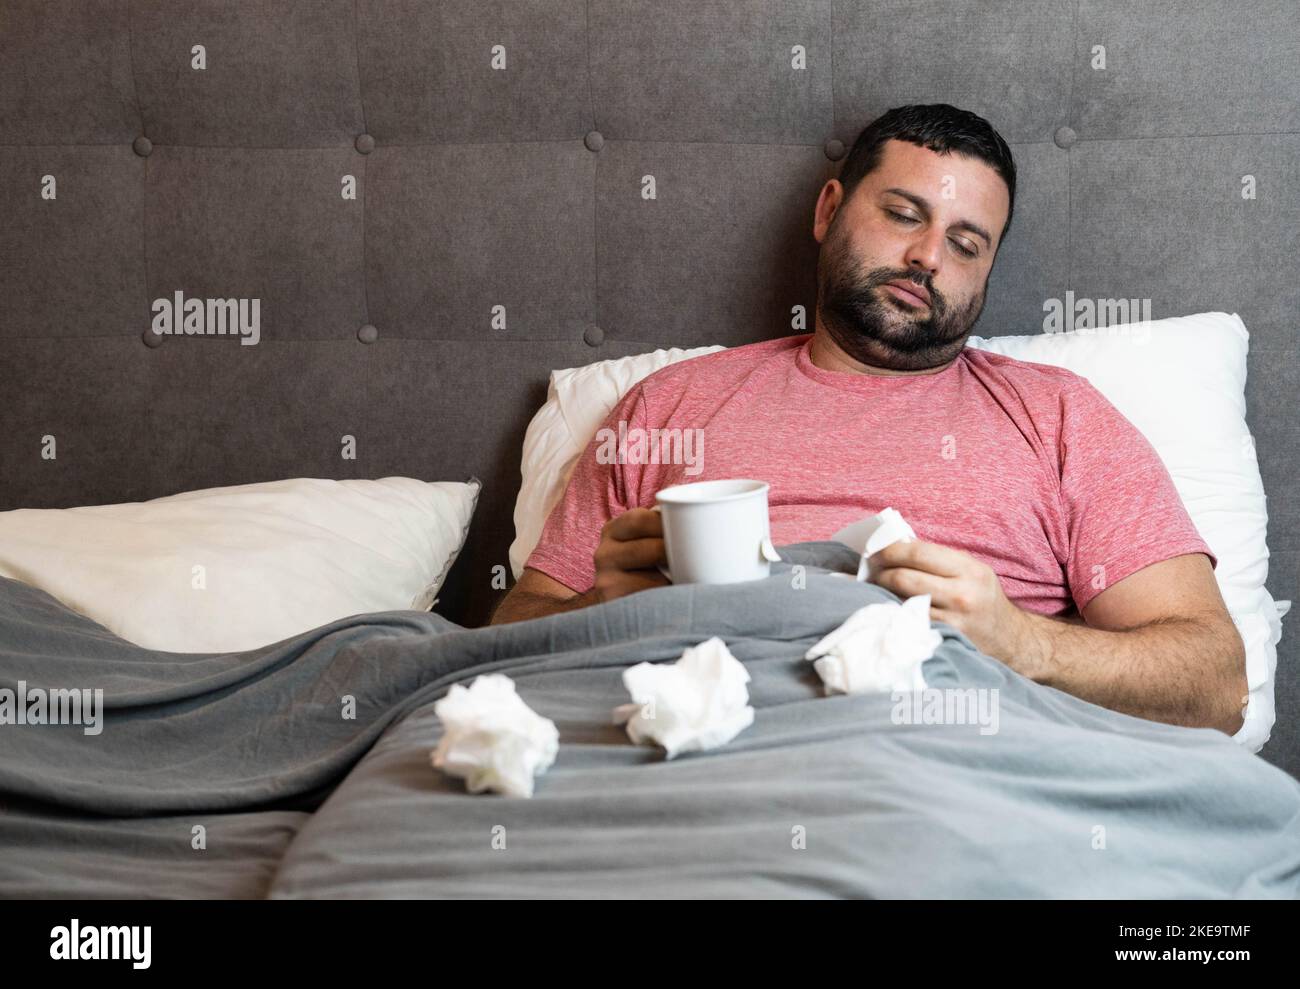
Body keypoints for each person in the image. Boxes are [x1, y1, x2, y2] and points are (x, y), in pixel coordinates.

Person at [491, 104, 1246, 736]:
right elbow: (502, 646)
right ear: (829, 211)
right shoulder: (669, 406)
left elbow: (1215, 684)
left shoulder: (1060, 417)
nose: (926, 257)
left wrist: (1022, 643)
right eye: (902, 214)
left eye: (965, 242)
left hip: (952, 753)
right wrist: (609, 610)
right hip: (696, 741)